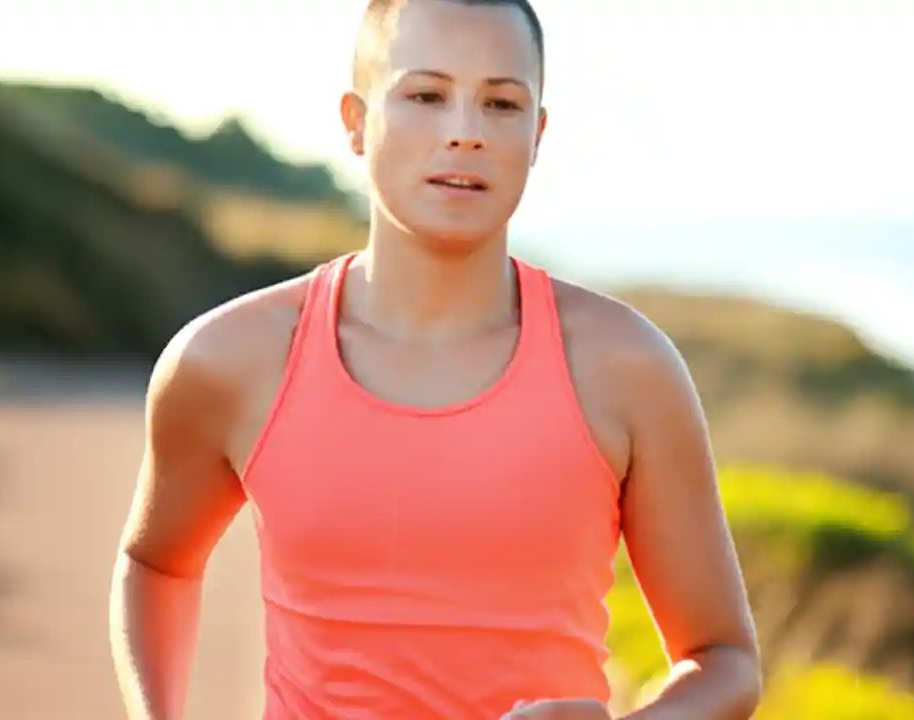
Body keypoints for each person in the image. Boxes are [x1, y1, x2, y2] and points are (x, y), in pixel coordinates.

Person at [108, 1, 762, 718]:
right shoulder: (232, 358)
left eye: (501, 104)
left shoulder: (626, 367)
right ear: (356, 122)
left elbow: (724, 659)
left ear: (537, 135)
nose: (466, 132)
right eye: (426, 95)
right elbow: (155, 563)